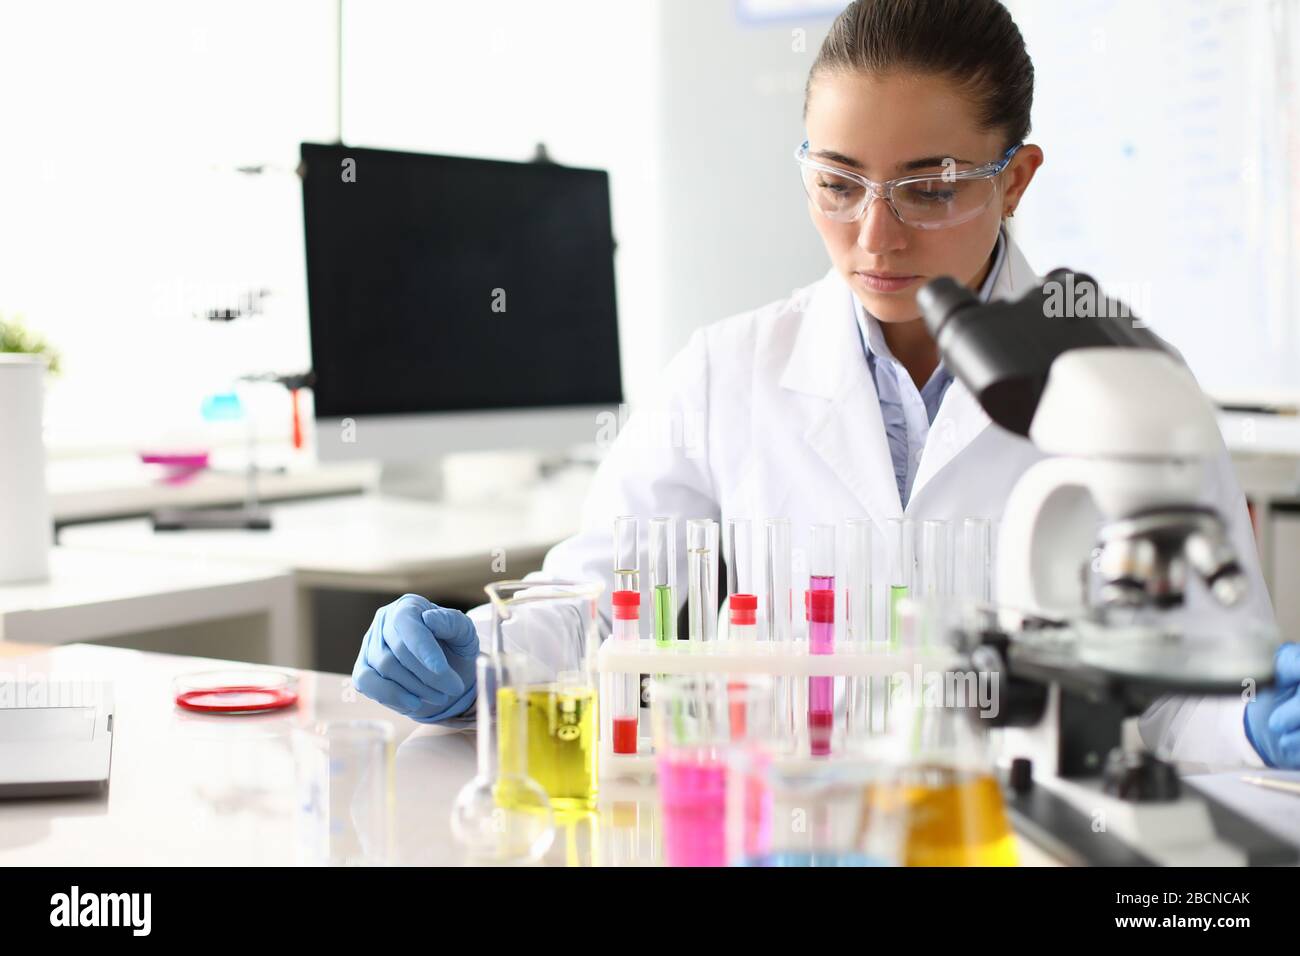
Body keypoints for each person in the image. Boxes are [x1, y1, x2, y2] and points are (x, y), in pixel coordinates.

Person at [352, 0, 1299, 770]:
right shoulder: (730, 371)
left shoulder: (1126, 384)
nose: (876, 238)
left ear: (1016, 181)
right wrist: (478, 656)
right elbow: (608, 603)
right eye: (838, 184)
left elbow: (1187, 686)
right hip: (794, 834)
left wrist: (1253, 724)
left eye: (930, 188)